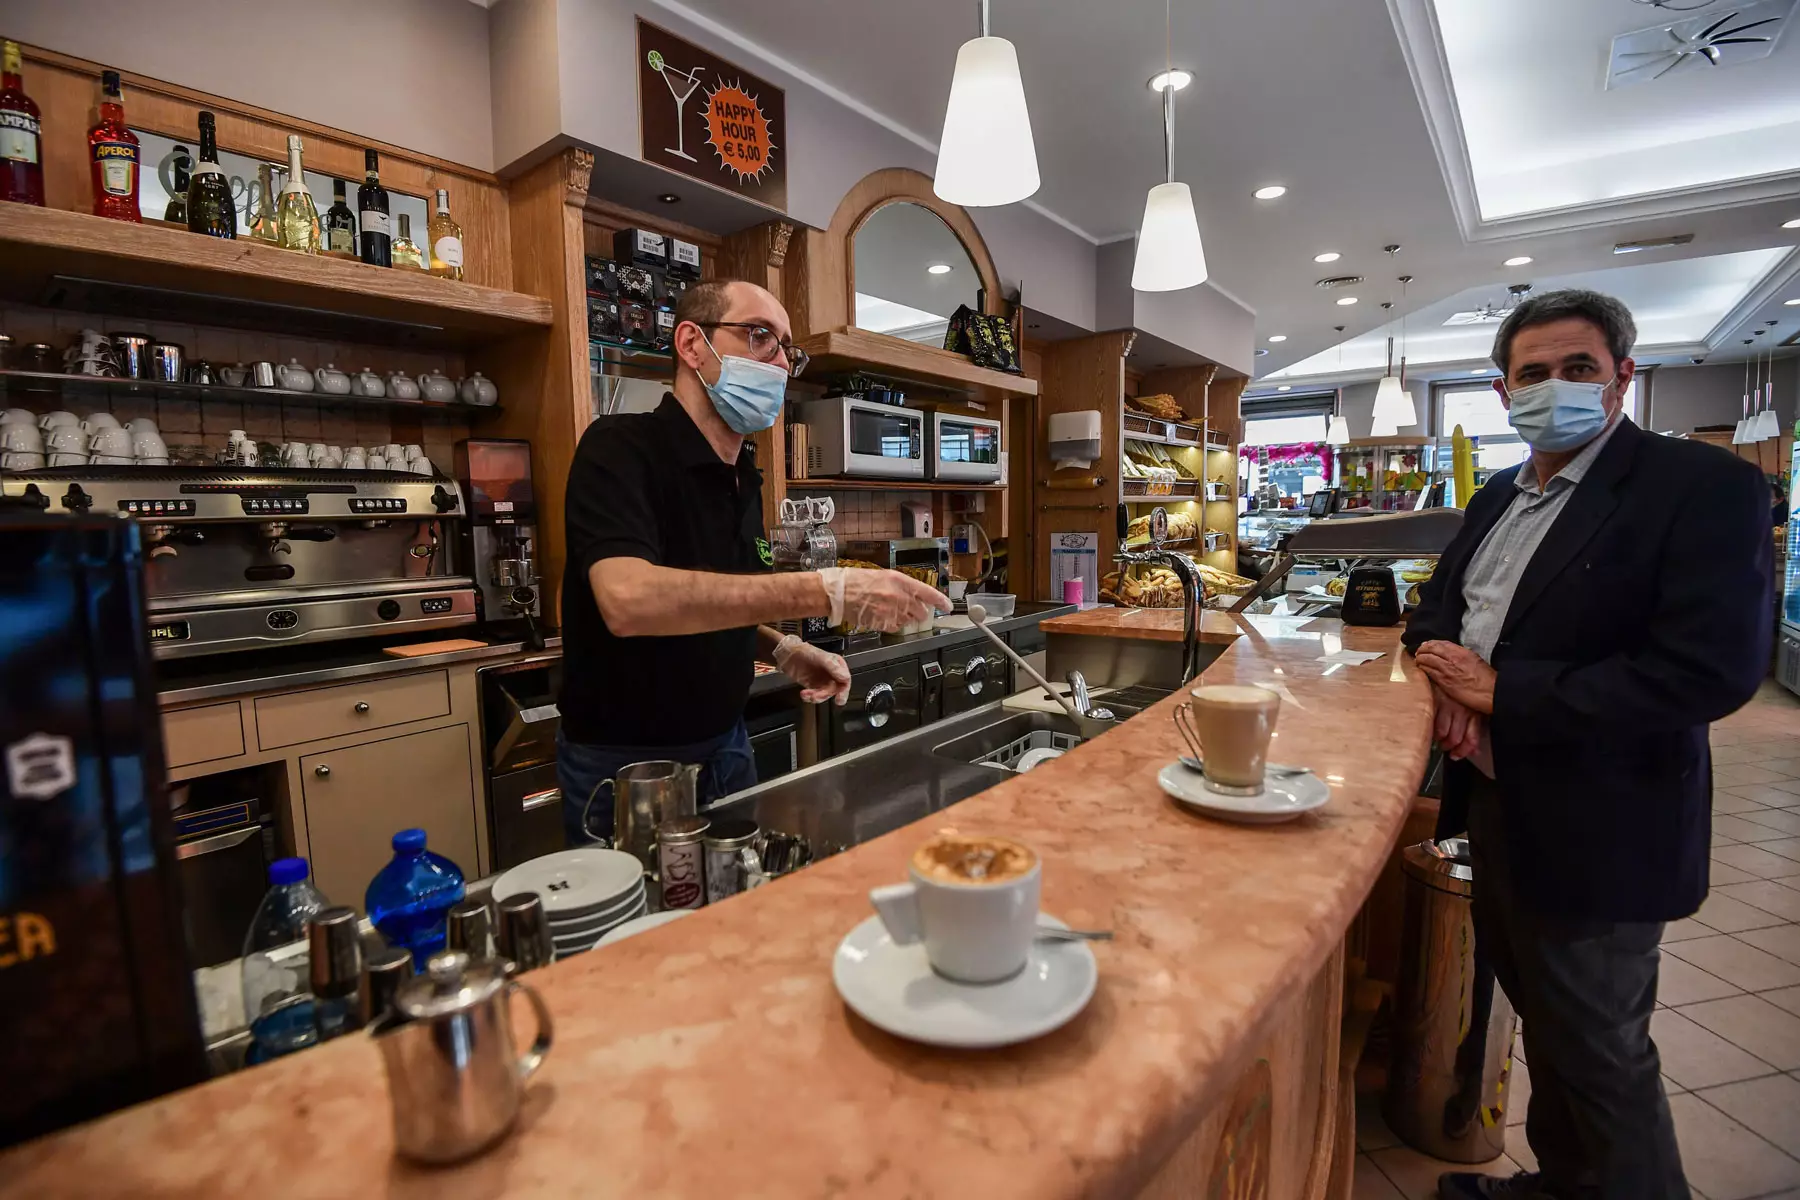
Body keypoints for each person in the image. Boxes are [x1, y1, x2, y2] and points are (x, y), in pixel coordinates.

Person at [1403, 289, 1772, 1200]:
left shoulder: (1699, 486)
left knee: (1602, 1048)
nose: (1555, 388)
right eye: (1534, 374)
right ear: (1503, 390)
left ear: (1621, 378)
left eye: (1578, 369)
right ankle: (1561, 1186)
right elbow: (1443, 607)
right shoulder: (1500, 493)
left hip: (1604, 818)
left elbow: (1708, 671)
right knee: (1552, 1022)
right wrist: (1446, 680)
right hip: (1495, 800)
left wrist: (1503, 693)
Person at [557, 279, 950, 845]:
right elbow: (629, 601)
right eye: (761, 336)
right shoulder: (619, 448)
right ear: (692, 345)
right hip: (629, 765)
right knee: (647, 932)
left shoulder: (742, 475)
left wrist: (783, 649)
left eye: (789, 348)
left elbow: (717, 599)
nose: (783, 363)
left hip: (726, 746)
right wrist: (827, 591)